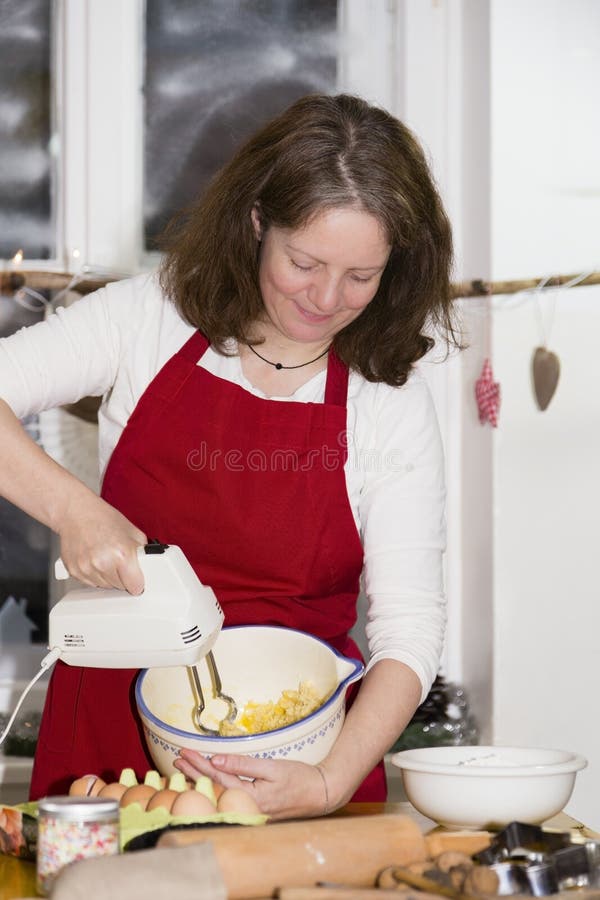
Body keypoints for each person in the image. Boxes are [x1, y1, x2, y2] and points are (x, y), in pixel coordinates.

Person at [0, 93, 456, 819]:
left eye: (360, 277)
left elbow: (410, 628)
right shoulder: (150, 318)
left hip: (302, 751)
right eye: (304, 262)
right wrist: (73, 510)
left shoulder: (386, 401)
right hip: (113, 733)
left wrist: (330, 783)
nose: (326, 298)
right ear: (256, 223)